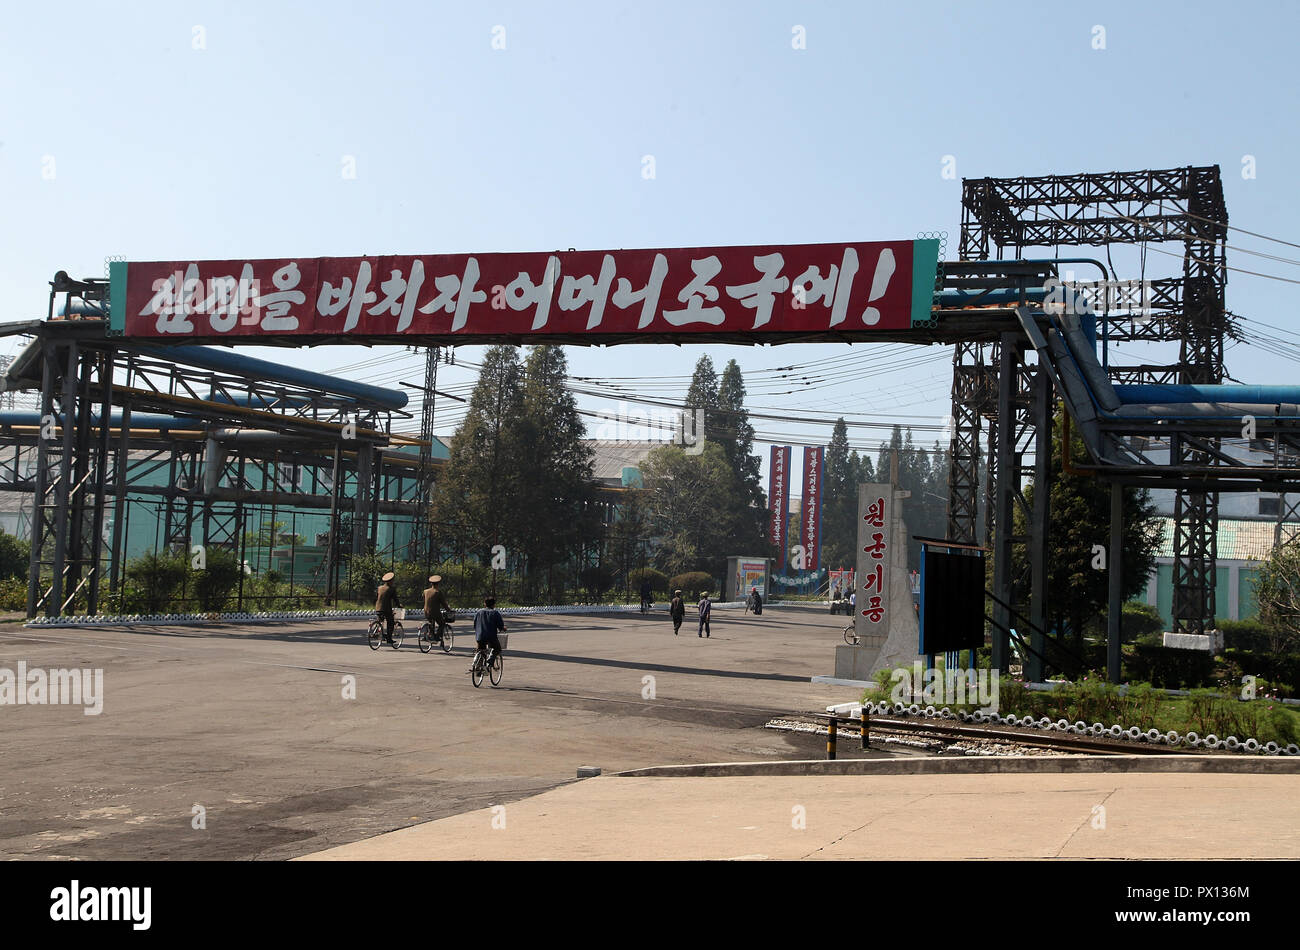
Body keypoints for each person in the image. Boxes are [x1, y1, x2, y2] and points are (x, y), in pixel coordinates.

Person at [472, 596, 507, 670]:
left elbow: (475, 624)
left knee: (480, 650)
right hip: (491, 637)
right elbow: (500, 626)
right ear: (494, 605)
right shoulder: (495, 613)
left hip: (480, 636)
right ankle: (489, 663)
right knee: (497, 648)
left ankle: (477, 665)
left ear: (485, 604)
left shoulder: (479, 612)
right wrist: (503, 628)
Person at [422, 574, 451, 642]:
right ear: (438, 584)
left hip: (426, 611)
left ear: (431, 583)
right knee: (442, 623)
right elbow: (444, 603)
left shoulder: (425, 591)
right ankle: (437, 637)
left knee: (431, 623)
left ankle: (428, 634)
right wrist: (449, 610)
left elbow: (424, 599)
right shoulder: (438, 592)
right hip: (435, 612)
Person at [375, 571, 401, 644]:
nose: (393, 582)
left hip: (377, 608)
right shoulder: (391, 589)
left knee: (380, 621)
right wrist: (399, 605)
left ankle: (381, 634)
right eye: (392, 580)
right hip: (386, 609)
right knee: (391, 623)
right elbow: (395, 599)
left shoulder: (379, 588)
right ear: (390, 581)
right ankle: (389, 638)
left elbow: (376, 597)